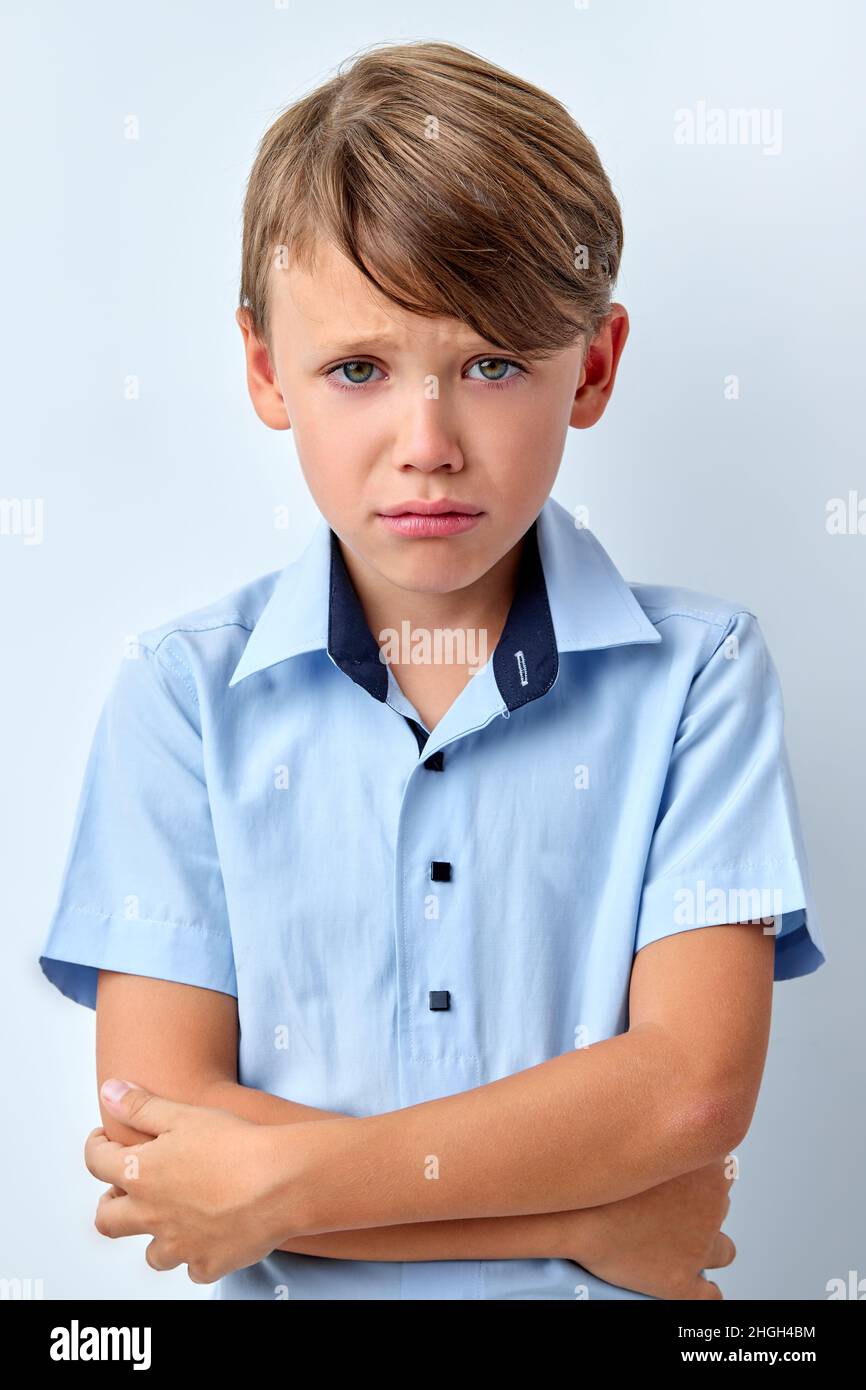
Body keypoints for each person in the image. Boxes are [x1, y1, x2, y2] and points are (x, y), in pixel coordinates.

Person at [38, 39, 826, 1301]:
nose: (427, 444)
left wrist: (280, 1186)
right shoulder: (182, 698)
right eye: (357, 368)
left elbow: (686, 1093)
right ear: (264, 374)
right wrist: (584, 1223)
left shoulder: (697, 679)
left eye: (492, 365)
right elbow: (162, 1147)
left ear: (597, 366)